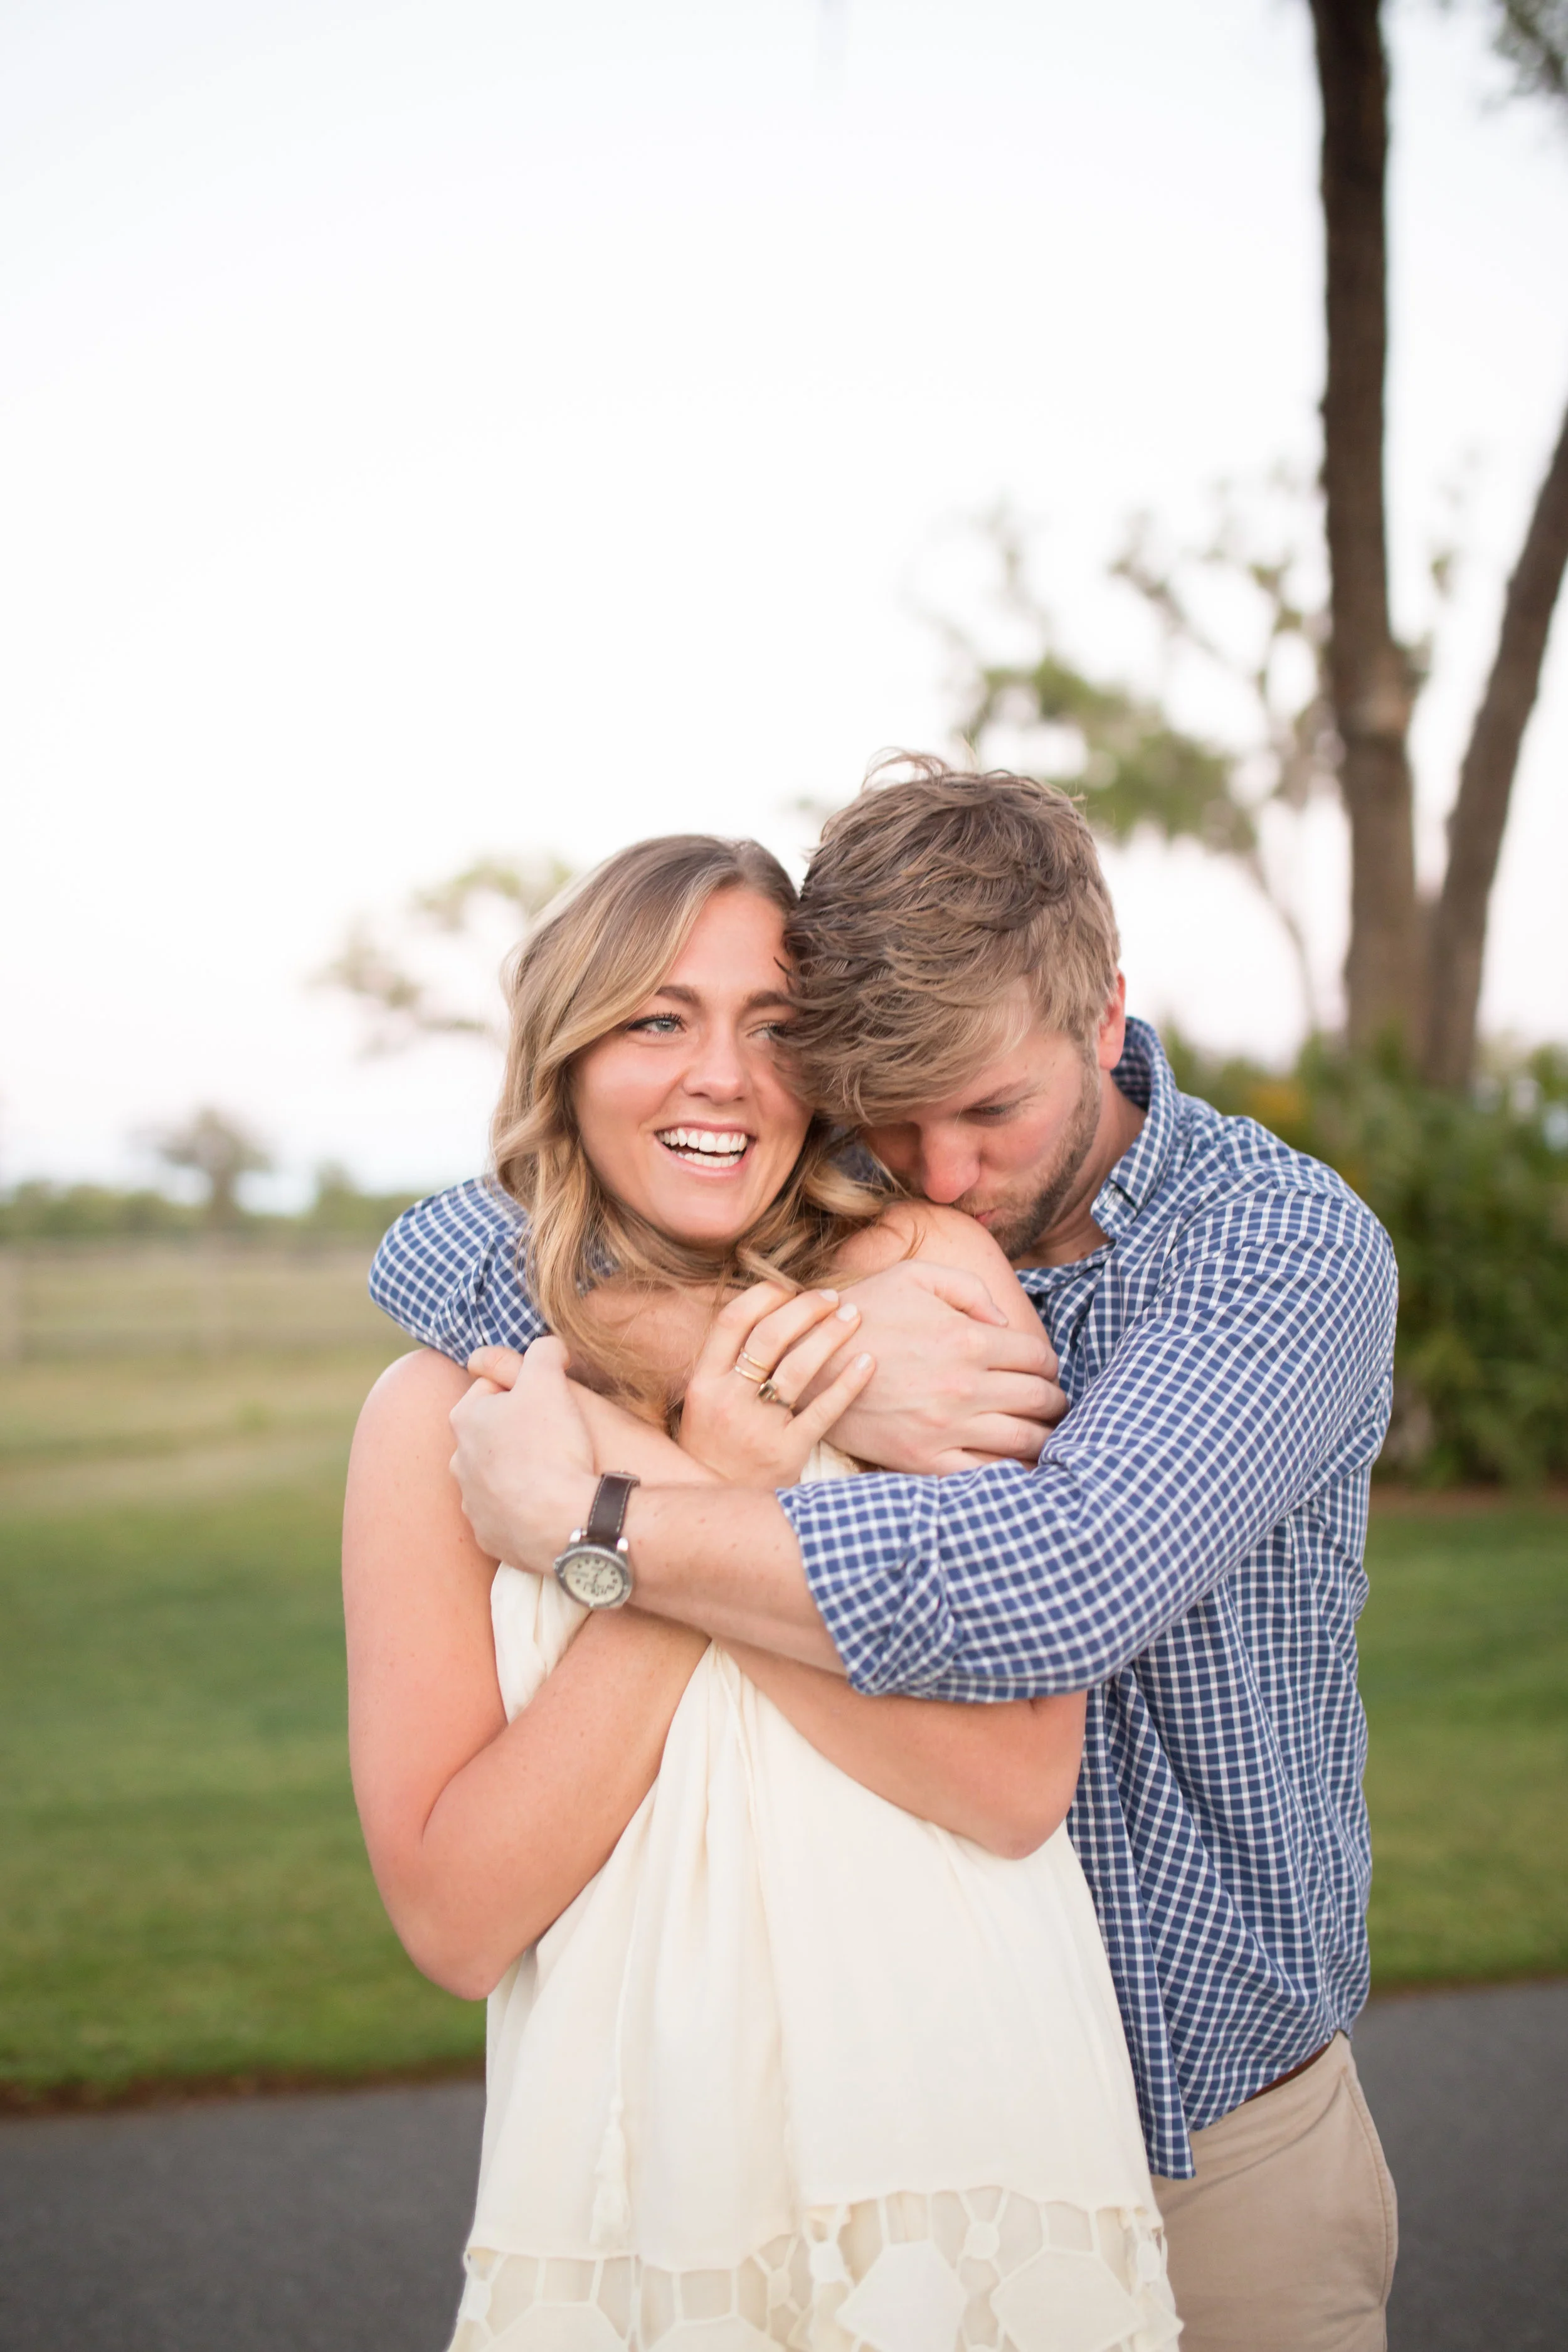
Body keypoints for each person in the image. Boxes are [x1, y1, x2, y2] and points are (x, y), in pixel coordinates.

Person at [373, 759, 1402, 2352]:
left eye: (989, 1114)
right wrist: (786, 1349)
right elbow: (445, 1240)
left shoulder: (1267, 1252)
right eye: (890, 1111)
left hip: (1203, 2141)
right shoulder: (872, 1254)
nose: (939, 1177)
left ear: (1104, 1008)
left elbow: (1049, 1592)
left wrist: (612, 1519)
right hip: (789, 2145)